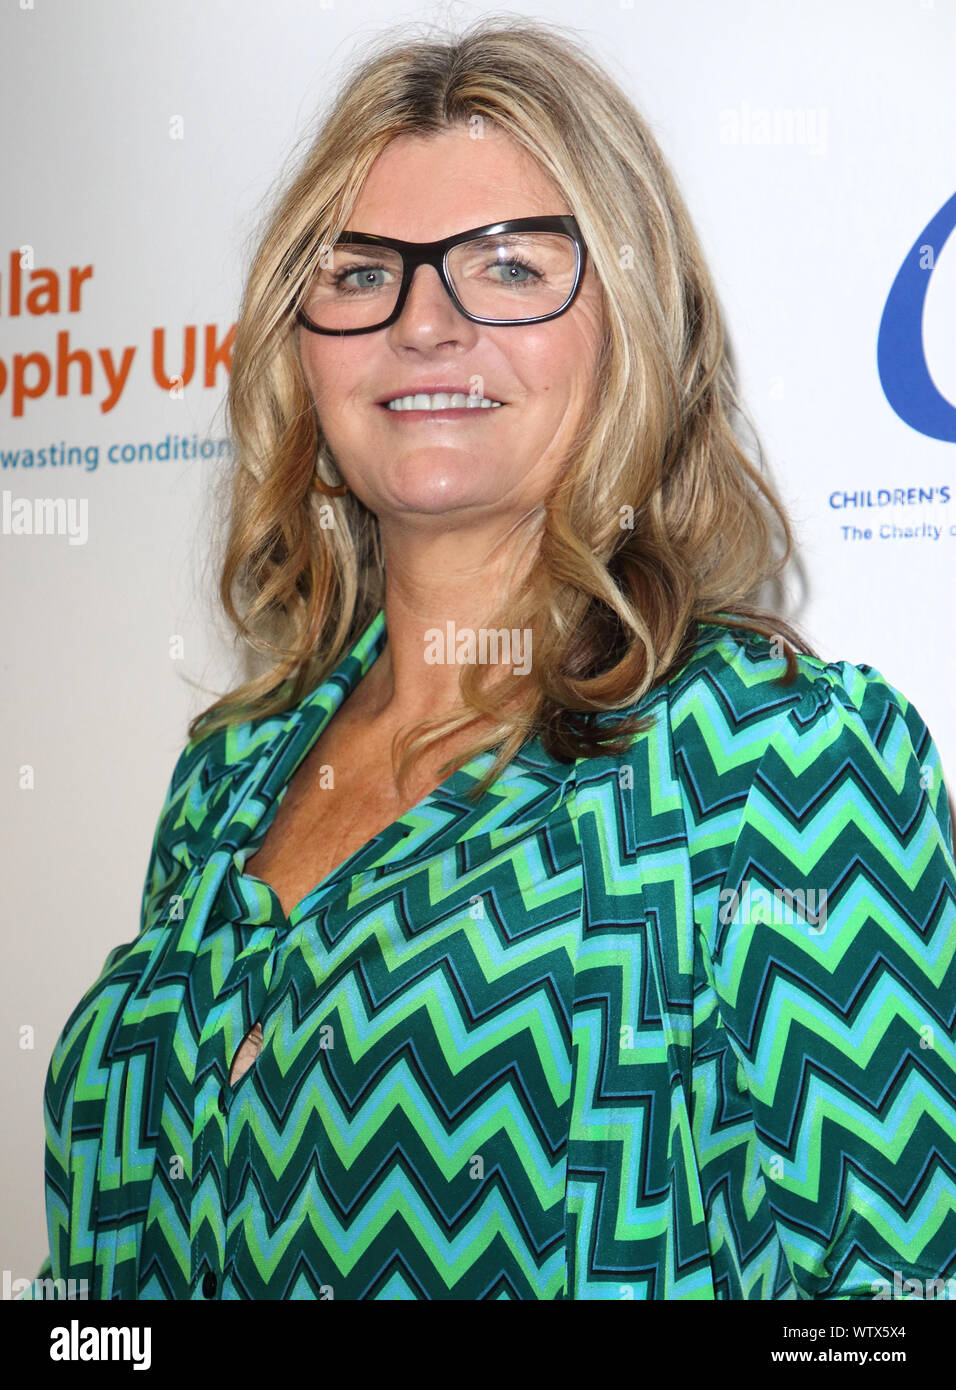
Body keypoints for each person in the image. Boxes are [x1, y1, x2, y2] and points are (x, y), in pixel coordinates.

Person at [24, 17, 956, 1301]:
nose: (422, 323)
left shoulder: (779, 762)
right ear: (302, 349)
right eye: (359, 273)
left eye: (509, 267)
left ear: (628, 321)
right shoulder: (225, 778)